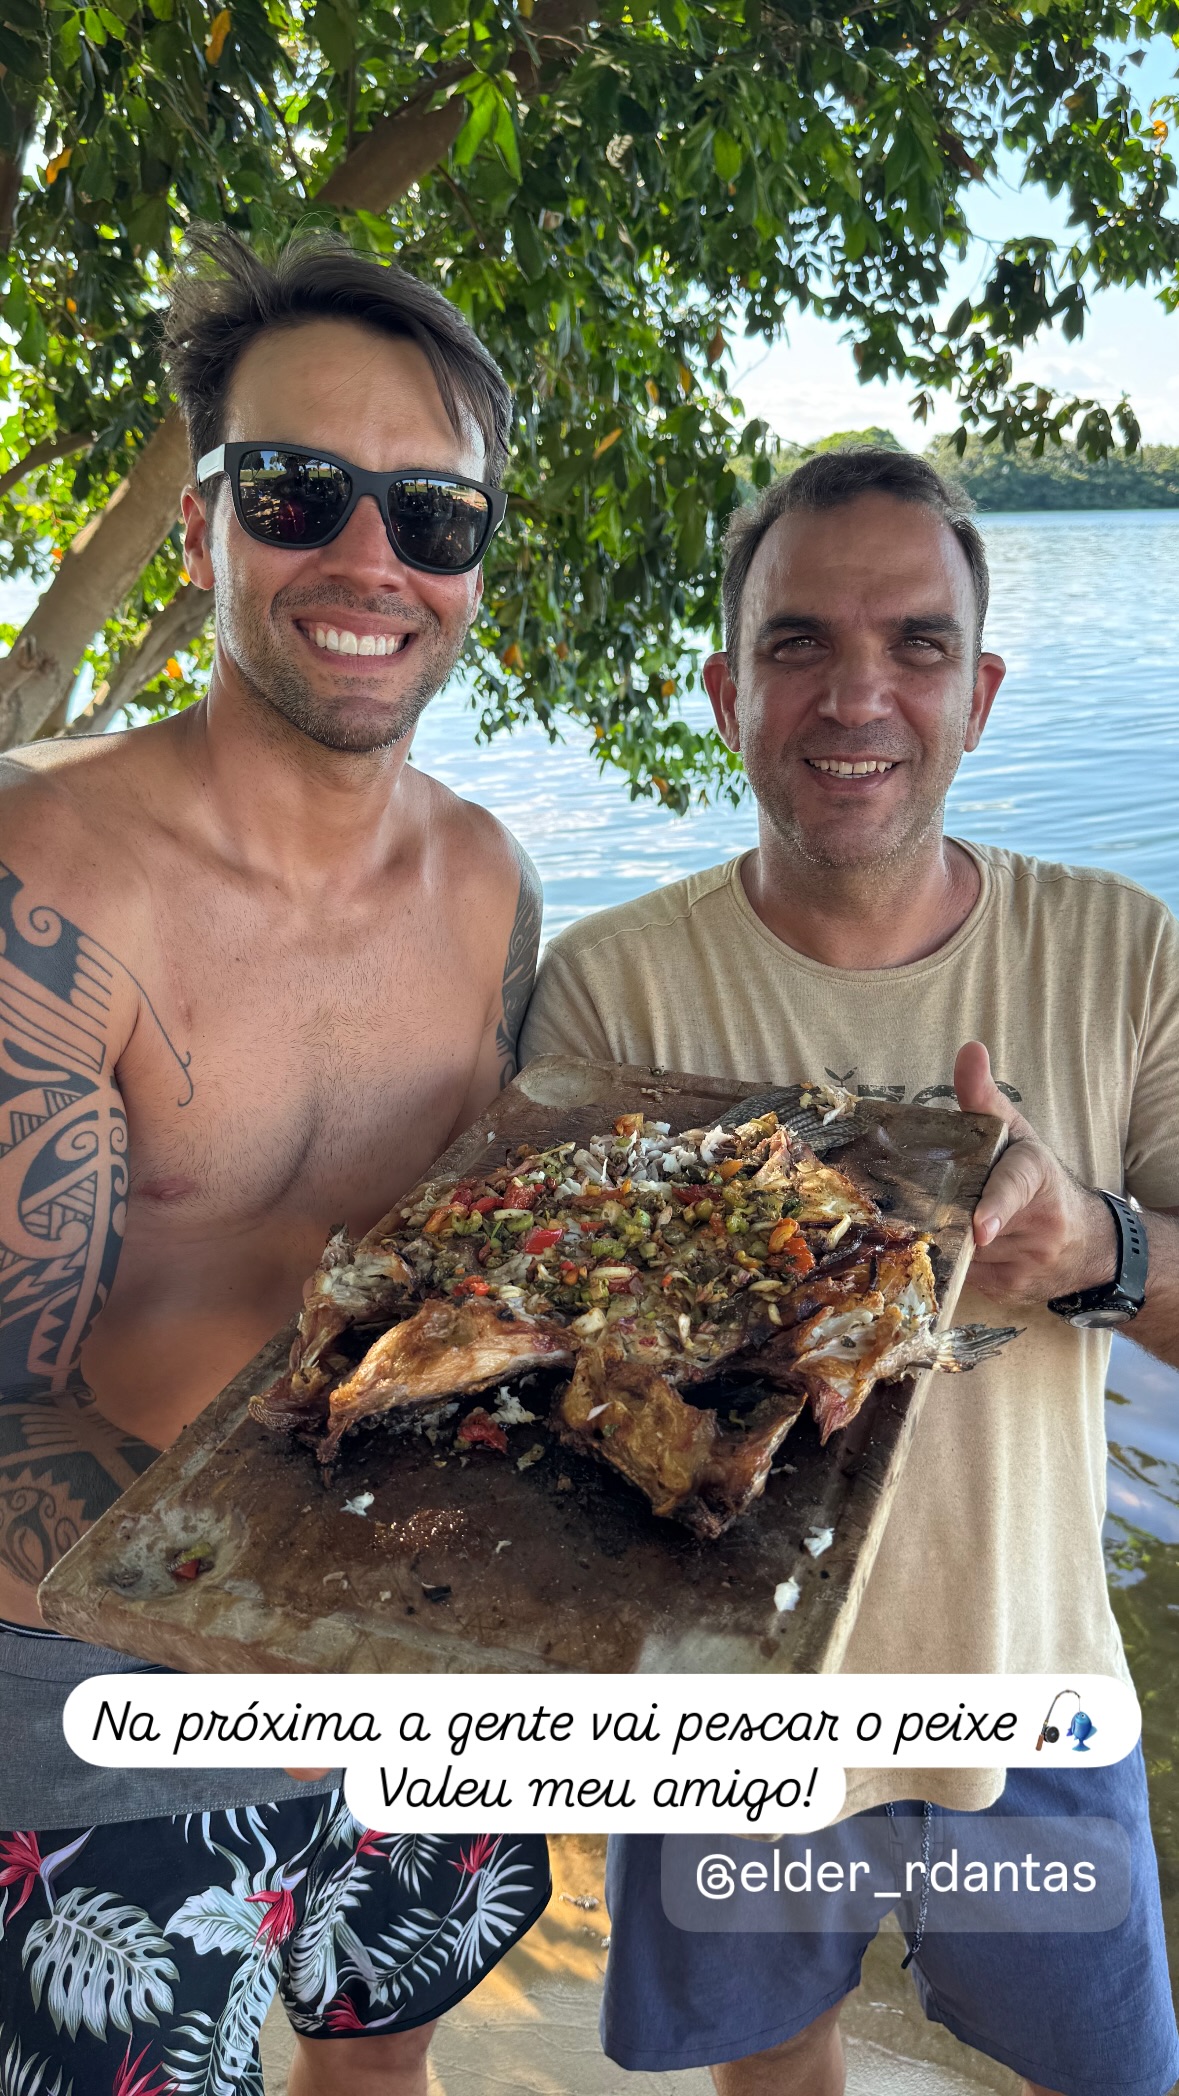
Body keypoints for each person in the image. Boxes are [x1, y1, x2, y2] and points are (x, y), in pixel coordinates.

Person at [520, 448, 1179, 2096]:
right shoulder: (610, 992)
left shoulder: (1123, 953)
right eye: (799, 642)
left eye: (919, 645)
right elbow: (552, 1367)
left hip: (1025, 1689)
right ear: (723, 686)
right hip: (725, 1704)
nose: (856, 697)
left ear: (985, 688)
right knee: (775, 2071)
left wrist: (1087, 1245)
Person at [0, 228, 549, 2095]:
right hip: (102, 1699)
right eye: (302, 493)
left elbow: (476, 1281)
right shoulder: (47, 876)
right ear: (203, 525)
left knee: (379, 2048)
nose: (369, 561)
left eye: (432, 514)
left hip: (407, 1645)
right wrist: (235, 1632)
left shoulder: (489, 885)